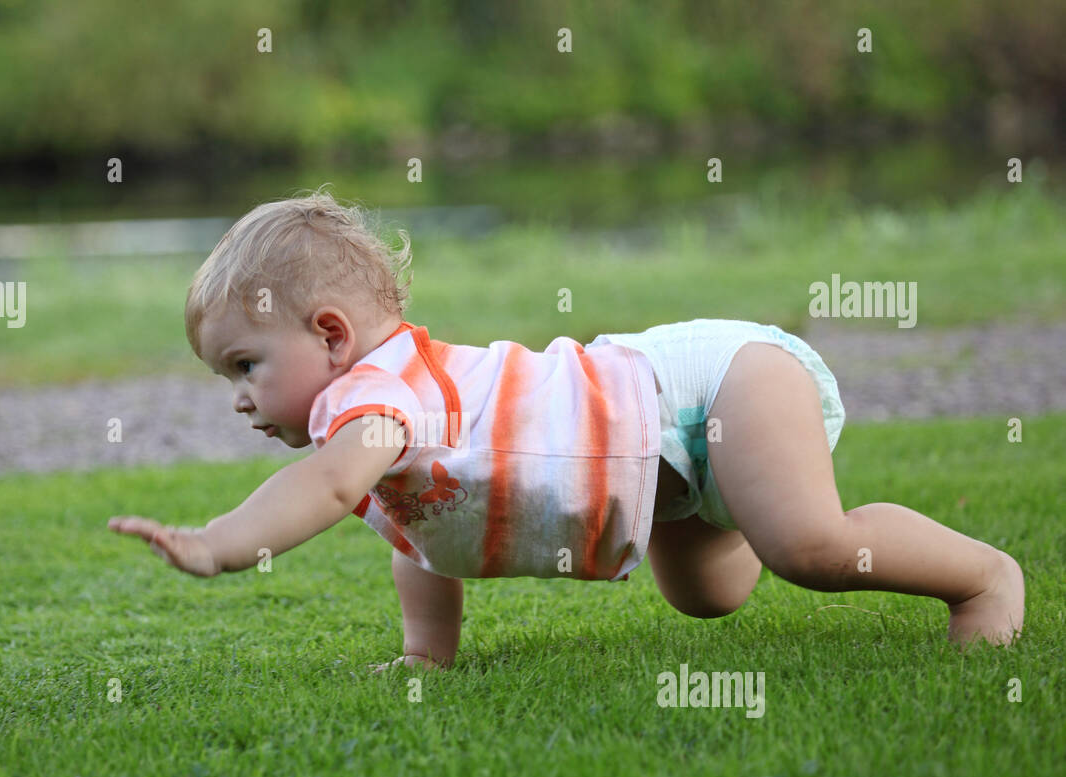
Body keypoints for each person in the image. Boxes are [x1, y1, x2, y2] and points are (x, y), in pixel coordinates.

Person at [108, 188, 1024, 669]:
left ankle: (984, 580)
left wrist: (223, 543)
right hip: (663, 460)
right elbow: (418, 539)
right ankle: (742, 491)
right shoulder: (391, 427)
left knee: (812, 549)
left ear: (331, 336)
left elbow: (327, 485)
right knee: (708, 597)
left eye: (245, 367)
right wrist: (429, 656)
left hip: (710, 385)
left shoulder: (375, 398)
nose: (239, 397)